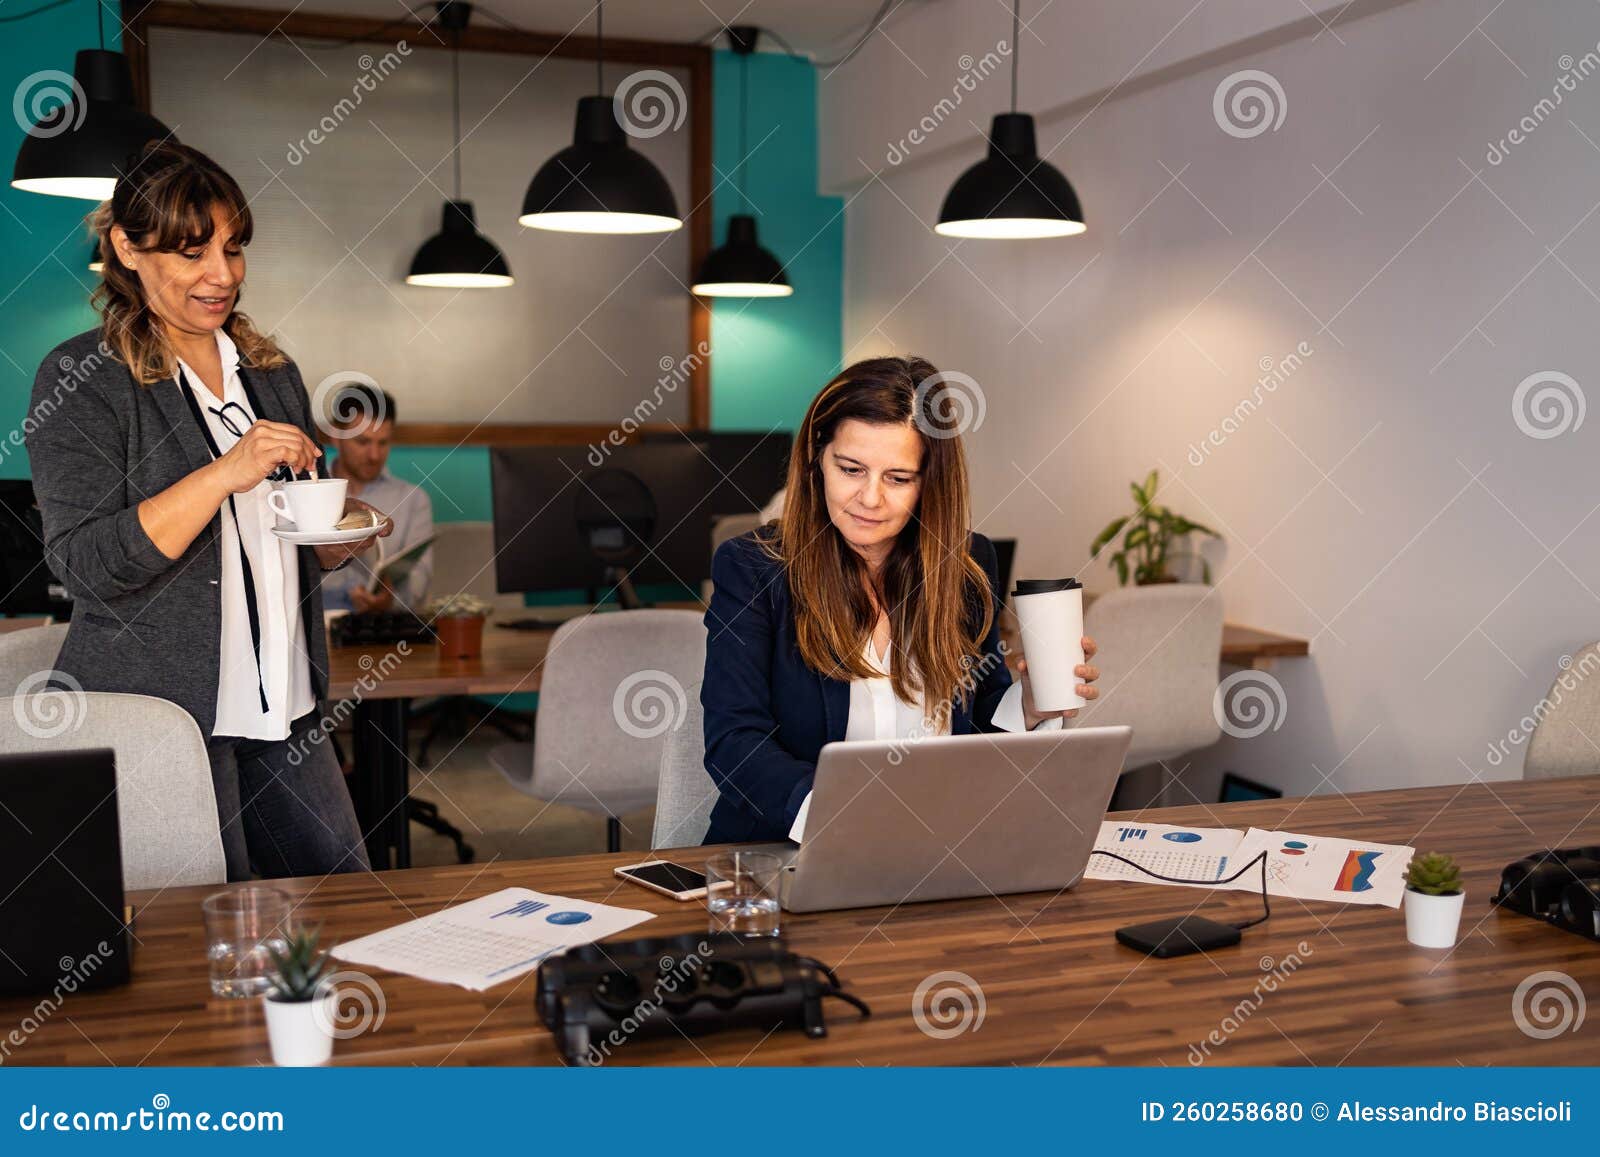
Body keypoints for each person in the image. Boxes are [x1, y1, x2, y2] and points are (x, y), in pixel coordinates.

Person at [26, 140, 387, 881]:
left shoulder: (271, 373)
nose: (222, 274)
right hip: (167, 714)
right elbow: (86, 567)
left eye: (234, 248)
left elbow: (291, 533)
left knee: (343, 903)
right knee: (205, 928)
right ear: (127, 248)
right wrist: (225, 472)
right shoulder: (83, 377)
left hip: (285, 704)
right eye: (192, 254)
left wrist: (336, 536)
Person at [701, 356, 1101, 843]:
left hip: (933, 844)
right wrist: (842, 821)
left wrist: (1029, 706)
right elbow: (735, 743)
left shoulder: (967, 563)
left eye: (898, 478)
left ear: (929, 482)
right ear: (817, 462)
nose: (870, 499)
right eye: (851, 469)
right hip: (782, 852)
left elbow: (975, 723)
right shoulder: (754, 568)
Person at [317, 383, 435, 614]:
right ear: (336, 436)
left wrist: (391, 599)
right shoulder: (310, 495)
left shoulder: (413, 500)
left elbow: (421, 577)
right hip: (319, 626)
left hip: (385, 625)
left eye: (383, 443)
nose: (374, 455)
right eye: (362, 442)